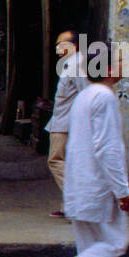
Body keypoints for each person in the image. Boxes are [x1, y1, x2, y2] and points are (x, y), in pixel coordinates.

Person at [42, 52, 129, 257]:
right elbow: (108, 148)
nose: (123, 65)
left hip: (79, 181)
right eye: (119, 61)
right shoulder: (104, 97)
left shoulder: (84, 97)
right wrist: (122, 190)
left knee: (89, 245)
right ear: (106, 68)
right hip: (97, 184)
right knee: (115, 244)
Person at [44, 30, 87, 216]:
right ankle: (69, 205)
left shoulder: (77, 65)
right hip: (62, 120)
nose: (57, 48)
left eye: (61, 44)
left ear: (74, 46)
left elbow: (85, 94)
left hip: (67, 123)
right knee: (69, 163)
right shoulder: (70, 65)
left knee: (56, 161)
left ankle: (77, 201)